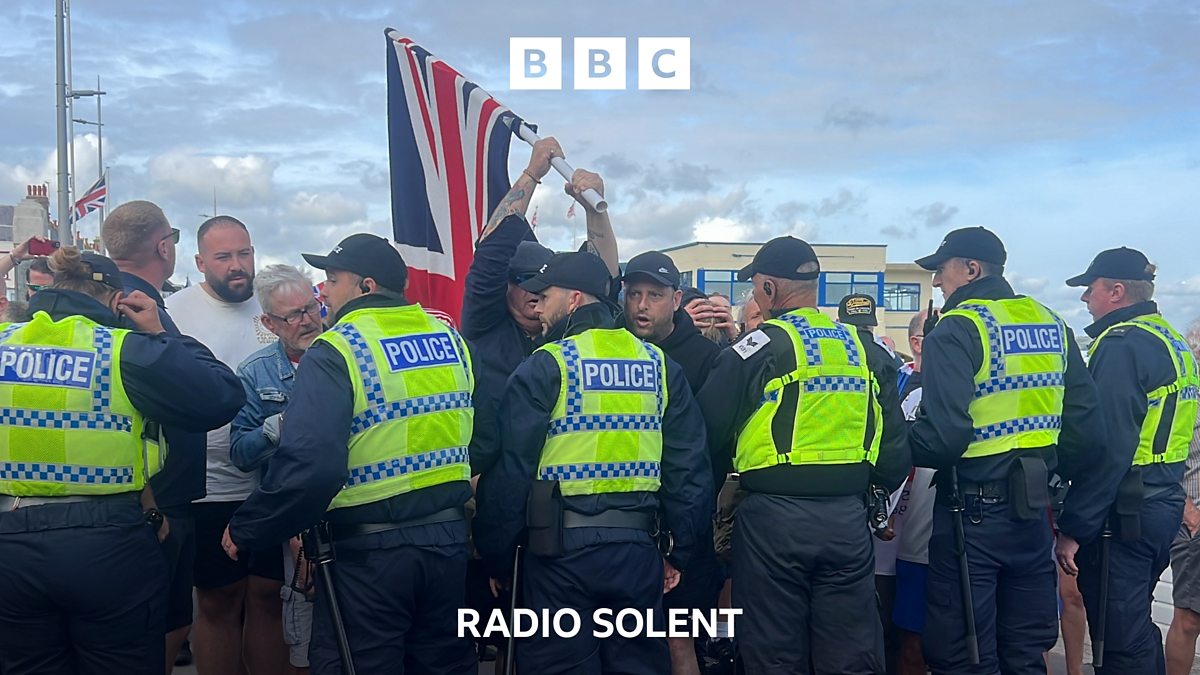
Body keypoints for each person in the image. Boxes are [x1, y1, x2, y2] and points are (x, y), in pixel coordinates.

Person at [224, 233, 478, 674]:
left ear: (366, 286)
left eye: (333, 279)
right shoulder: (449, 339)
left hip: (371, 550)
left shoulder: (339, 348)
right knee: (443, 663)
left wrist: (248, 528)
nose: (324, 291)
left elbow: (311, 464)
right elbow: (485, 436)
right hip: (447, 541)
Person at [0, 247, 244, 674]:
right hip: (107, 543)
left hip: (10, 542)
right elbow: (221, 395)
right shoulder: (123, 351)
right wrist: (161, 334)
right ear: (117, 300)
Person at [475, 250, 713, 675]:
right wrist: (680, 553)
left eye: (544, 297)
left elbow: (511, 473)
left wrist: (497, 557)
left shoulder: (547, 366)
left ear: (573, 300)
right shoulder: (659, 366)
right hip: (636, 555)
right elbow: (688, 472)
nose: (537, 307)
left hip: (557, 559)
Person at [696, 235, 910, 673]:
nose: (754, 295)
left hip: (773, 520)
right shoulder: (865, 349)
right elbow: (893, 450)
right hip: (848, 521)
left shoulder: (757, 348)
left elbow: (706, 433)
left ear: (770, 289)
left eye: (755, 286)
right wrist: (871, 497)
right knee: (850, 654)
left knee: (773, 652)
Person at [909, 226, 1105, 675]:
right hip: (1034, 514)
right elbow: (1087, 429)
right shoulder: (1052, 323)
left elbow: (944, 437)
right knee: (1024, 651)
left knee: (966, 653)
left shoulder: (958, 327)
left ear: (971, 269)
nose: (937, 283)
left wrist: (895, 445)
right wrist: (1049, 475)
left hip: (971, 516)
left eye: (941, 271)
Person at [1056, 248, 1199, 674]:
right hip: (1160, 502)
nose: (1085, 299)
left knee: (1118, 640)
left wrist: (1075, 527)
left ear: (1116, 291)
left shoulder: (1122, 345)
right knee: (1134, 627)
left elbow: (1109, 447)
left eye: (1090, 289)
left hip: (1124, 512)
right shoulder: (1169, 339)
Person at [165, 215, 287, 675]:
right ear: (199, 263)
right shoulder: (174, 313)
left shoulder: (271, 303)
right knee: (217, 602)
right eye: (224, 257)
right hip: (209, 487)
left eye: (245, 253)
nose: (238, 266)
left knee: (269, 597)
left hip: (272, 483)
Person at [461, 137, 617, 476]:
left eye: (545, 284)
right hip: (496, 483)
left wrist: (595, 210)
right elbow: (491, 253)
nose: (535, 293)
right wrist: (533, 173)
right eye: (522, 280)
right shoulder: (485, 326)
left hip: (563, 489)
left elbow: (600, 279)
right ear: (504, 287)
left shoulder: (570, 334)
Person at [101, 199, 207, 671]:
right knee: (159, 626)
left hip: (127, 500)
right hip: (154, 504)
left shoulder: (104, 301)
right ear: (165, 247)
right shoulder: (139, 308)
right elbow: (201, 394)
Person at [622, 250, 722, 675]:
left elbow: (709, 451)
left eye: (655, 295)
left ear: (677, 299)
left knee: (676, 636)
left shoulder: (704, 358)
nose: (642, 305)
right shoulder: (615, 352)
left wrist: (682, 540)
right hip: (625, 524)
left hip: (683, 528)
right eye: (634, 294)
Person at [229, 264, 324, 674]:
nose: (307, 321)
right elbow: (240, 452)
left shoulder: (347, 351)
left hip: (351, 508)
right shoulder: (255, 371)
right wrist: (278, 428)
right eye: (293, 316)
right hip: (294, 522)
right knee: (299, 632)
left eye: (312, 308)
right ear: (269, 322)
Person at [891, 310, 936, 675]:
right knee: (907, 644)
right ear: (917, 343)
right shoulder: (898, 383)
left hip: (960, 536)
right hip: (898, 542)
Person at [1167, 319, 1200, 675]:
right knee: (1190, 618)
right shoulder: (1187, 396)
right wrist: (1187, 510)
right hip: (1193, 520)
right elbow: (1164, 457)